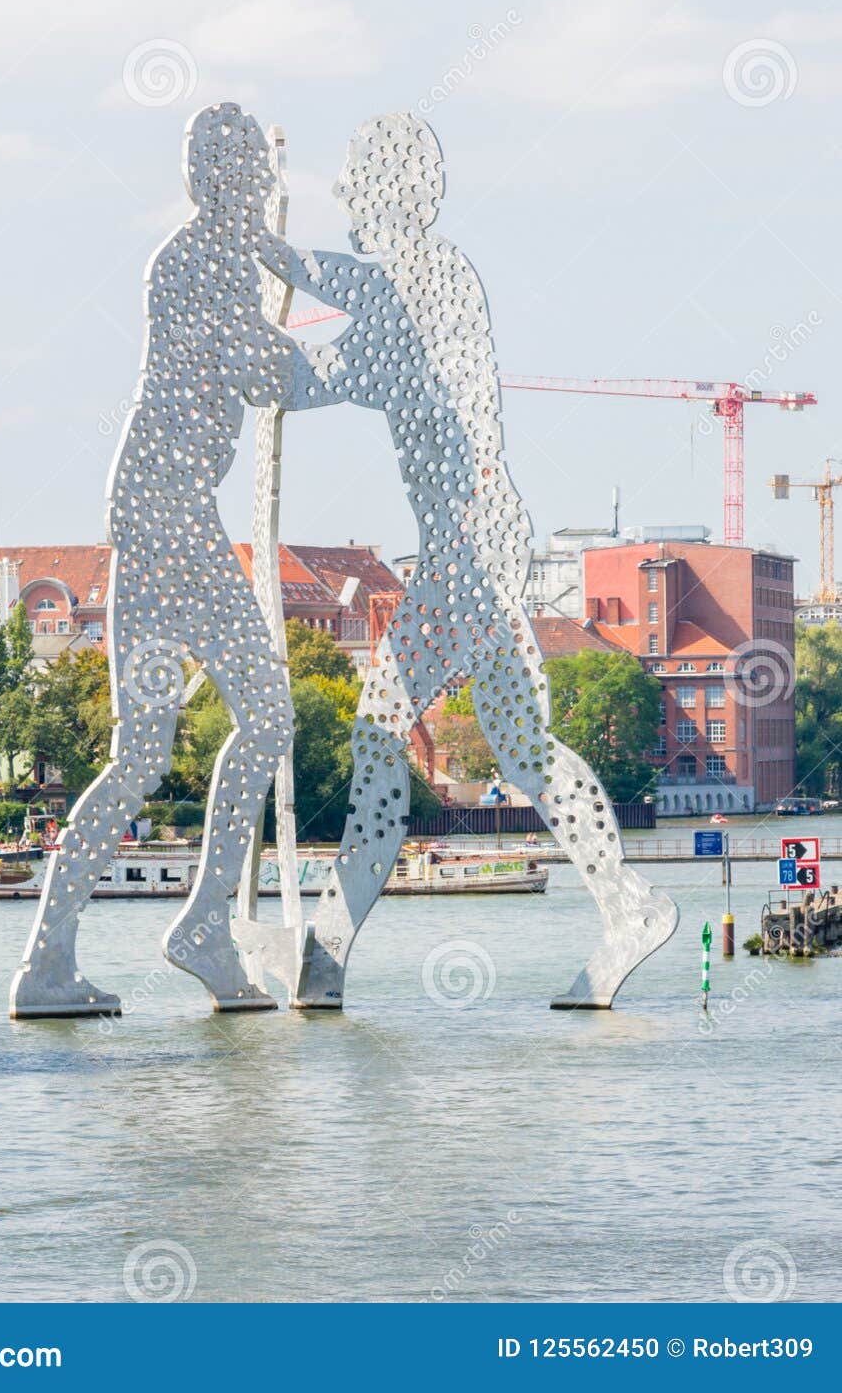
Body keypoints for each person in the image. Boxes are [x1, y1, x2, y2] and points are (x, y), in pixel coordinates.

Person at [277, 112, 678, 1010]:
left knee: (378, 736)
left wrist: (255, 340)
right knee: (525, 748)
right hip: (482, 540)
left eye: (355, 183)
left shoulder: (427, 287)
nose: (344, 199)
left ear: (395, 192)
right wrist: (275, 257)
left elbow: (325, 370)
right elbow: (334, 283)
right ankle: (628, 904)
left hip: (466, 552)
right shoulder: (420, 278)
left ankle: (326, 954)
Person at [10, 103, 318, 1019]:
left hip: (158, 515)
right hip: (172, 519)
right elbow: (270, 373)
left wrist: (282, 274)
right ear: (211, 181)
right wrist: (357, 350)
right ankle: (201, 929)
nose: (253, 187)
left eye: (257, 174)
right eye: (242, 174)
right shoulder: (199, 262)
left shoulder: (209, 257)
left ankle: (50, 962)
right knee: (265, 715)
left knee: (143, 752)